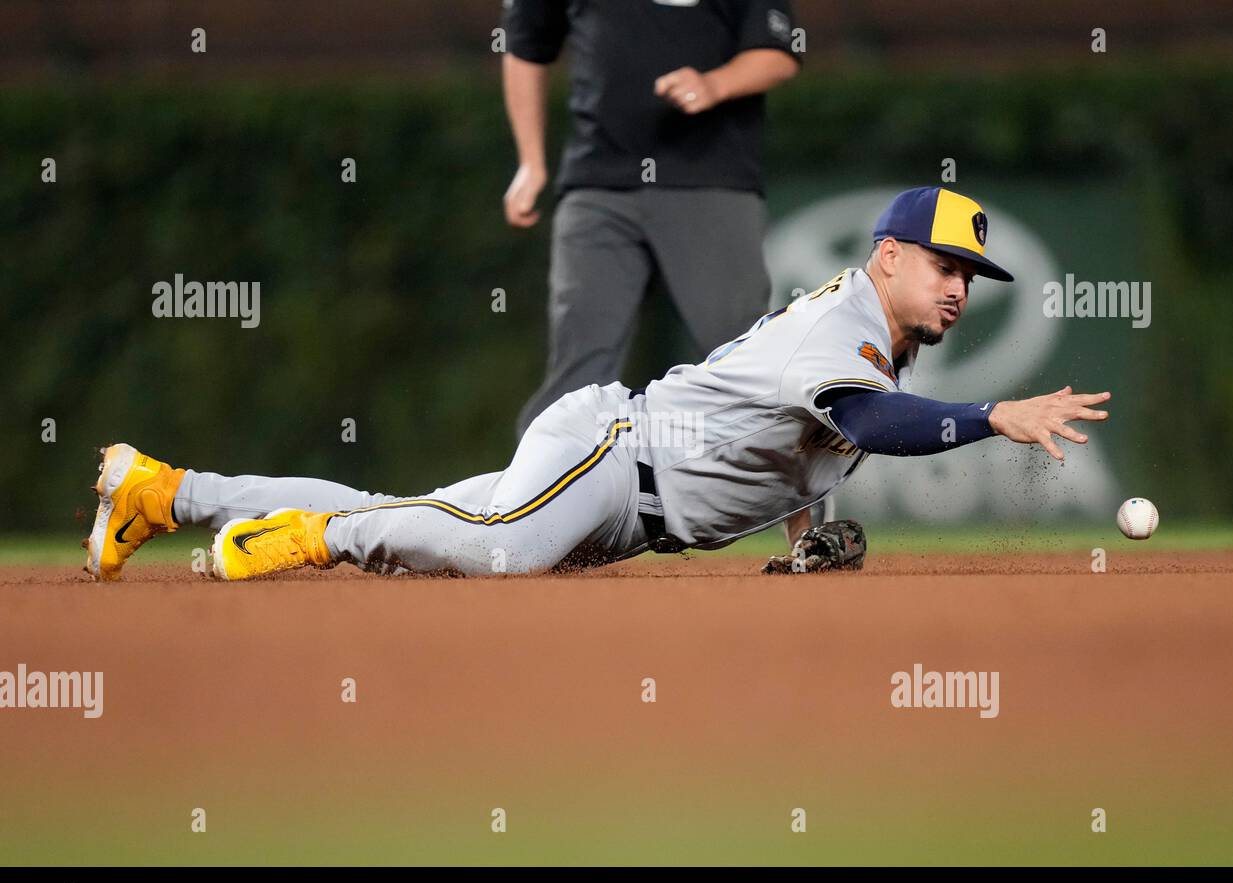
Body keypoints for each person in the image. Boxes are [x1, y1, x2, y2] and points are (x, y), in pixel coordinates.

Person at [83, 188, 1110, 582]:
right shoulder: (845, 324)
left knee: (414, 519)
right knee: (496, 548)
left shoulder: (878, 329)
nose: (959, 287)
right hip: (613, 455)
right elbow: (868, 422)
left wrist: (806, 534)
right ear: (887, 255)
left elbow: (794, 431)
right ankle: (315, 539)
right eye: (944, 265)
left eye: (969, 275)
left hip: (633, 507)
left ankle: (163, 492)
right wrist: (991, 413)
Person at [501, 0, 801, 437]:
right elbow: (525, 45)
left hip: (710, 180)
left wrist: (714, 84)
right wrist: (530, 161)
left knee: (743, 356)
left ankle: (792, 497)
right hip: (597, 183)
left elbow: (779, 51)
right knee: (580, 365)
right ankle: (548, 496)